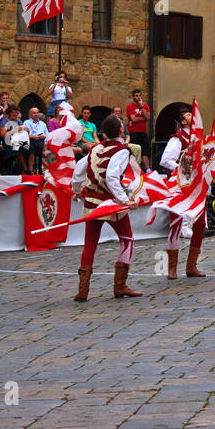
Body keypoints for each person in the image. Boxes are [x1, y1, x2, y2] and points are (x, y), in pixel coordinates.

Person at [71, 114, 142, 301]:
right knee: (127, 239)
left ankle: (83, 290)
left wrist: (77, 191)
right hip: (110, 205)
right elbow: (111, 177)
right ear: (120, 130)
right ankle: (120, 286)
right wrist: (124, 200)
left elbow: (79, 169)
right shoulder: (122, 150)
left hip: (91, 204)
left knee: (90, 244)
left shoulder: (95, 148)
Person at [157, 109, 205, 280]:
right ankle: (172, 268)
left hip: (196, 187)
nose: (192, 116)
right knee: (175, 225)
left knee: (200, 225)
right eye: (188, 115)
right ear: (183, 122)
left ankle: (191, 266)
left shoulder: (199, 139)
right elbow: (165, 160)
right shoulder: (178, 138)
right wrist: (182, 168)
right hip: (178, 186)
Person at [126, 89, 152, 170]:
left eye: (140, 95)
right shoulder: (130, 106)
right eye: (136, 96)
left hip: (143, 133)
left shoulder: (145, 107)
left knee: (145, 151)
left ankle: (147, 169)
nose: (138, 97)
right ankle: (134, 169)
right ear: (133, 97)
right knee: (134, 151)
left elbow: (148, 117)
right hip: (133, 132)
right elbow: (133, 119)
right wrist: (143, 118)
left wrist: (142, 107)